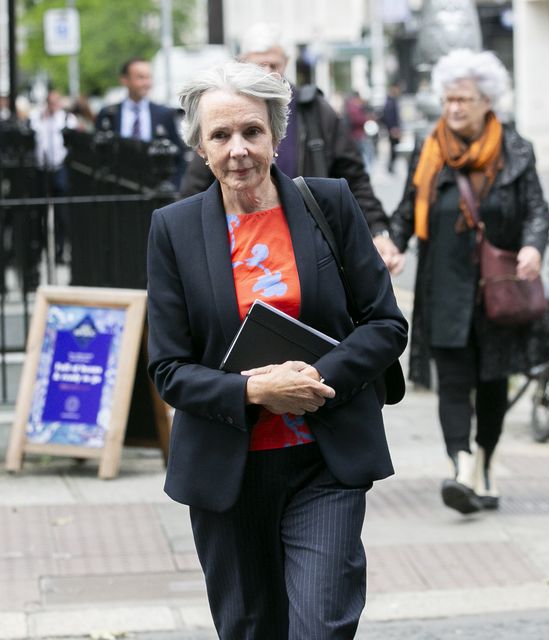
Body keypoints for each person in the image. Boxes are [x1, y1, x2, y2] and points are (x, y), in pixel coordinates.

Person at [146, 61, 407, 638]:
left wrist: (313, 379)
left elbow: (386, 325)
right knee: (250, 629)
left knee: (321, 625)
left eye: (252, 132)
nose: (238, 149)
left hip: (325, 460)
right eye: (221, 135)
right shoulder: (174, 230)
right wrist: (254, 390)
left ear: (275, 134)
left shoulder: (329, 204)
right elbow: (168, 369)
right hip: (228, 473)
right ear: (200, 145)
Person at [391, 49, 549, 515]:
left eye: (463, 99)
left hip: (495, 288)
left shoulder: (515, 149)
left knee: (491, 383)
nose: (454, 109)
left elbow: (538, 210)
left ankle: (485, 460)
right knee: (453, 379)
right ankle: (462, 465)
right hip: (443, 286)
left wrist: (534, 246)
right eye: (448, 100)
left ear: (488, 101)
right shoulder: (431, 153)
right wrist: (394, 244)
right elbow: (408, 209)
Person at [178, 23, 402, 274]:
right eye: (258, 66)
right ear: (242, 63)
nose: (267, 73)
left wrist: (378, 231)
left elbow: (354, 177)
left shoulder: (314, 110)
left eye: (274, 65)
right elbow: (194, 188)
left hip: (313, 241)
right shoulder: (225, 115)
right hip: (243, 246)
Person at [96, 58, 187, 187]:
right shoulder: (109, 113)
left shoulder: (164, 114)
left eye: (149, 77)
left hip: (154, 188)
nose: (146, 83)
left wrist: (172, 185)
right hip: (118, 187)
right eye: (140, 77)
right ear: (124, 80)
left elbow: (179, 154)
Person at [29, 89, 78, 263]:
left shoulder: (67, 118)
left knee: (61, 213)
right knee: (39, 211)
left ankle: (60, 249)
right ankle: (39, 249)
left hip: (59, 168)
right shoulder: (37, 118)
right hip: (41, 168)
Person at [380, 81, 403, 174]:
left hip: (393, 129)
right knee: (394, 149)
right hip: (393, 129)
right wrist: (393, 128)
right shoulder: (390, 101)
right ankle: (390, 167)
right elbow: (389, 117)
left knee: (394, 149)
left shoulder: (392, 100)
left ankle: (391, 166)